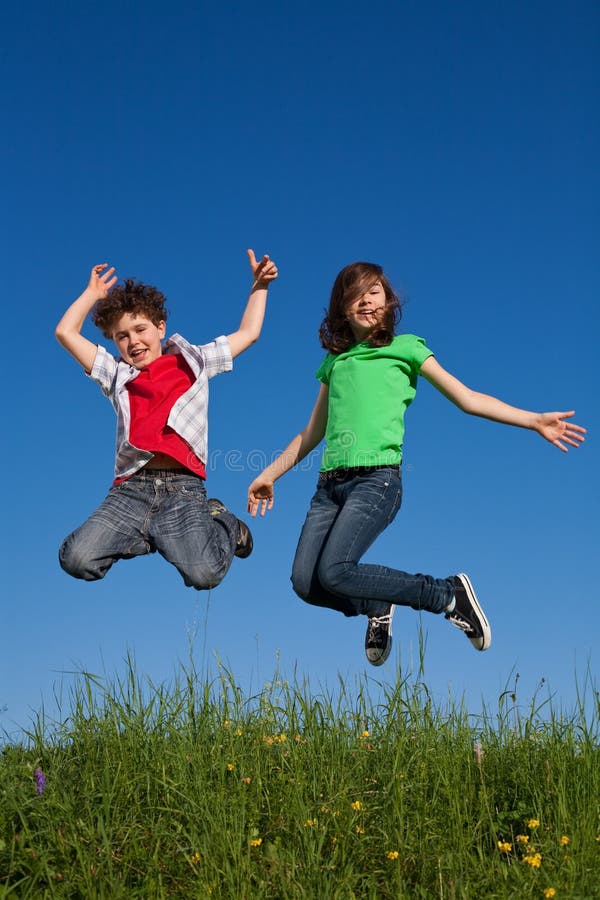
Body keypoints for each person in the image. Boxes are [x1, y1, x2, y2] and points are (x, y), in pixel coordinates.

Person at [247, 261, 585, 666]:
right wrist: (270, 474)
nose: (366, 300)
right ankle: (376, 605)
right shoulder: (336, 364)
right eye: (356, 294)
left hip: (376, 482)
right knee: (305, 583)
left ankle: (446, 594)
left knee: (335, 571)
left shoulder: (406, 348)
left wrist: (532, 420)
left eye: (374, 291)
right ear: (341, 309)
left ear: (388, 301)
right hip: (328, 489)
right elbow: (311, 432)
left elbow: (468, 398)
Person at [56, 249, 277, 591]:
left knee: (205, 574)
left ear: (160, 328)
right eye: (122, 336)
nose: (133, 341)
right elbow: (66, 333)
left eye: (140, 329)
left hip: (183, 490)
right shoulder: (116, 375)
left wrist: (259, 286)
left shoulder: (195, 361)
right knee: (76, 558)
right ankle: (159, 535)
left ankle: (222, 522)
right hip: (131, 491)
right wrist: (91, 295)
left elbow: (248, 333)